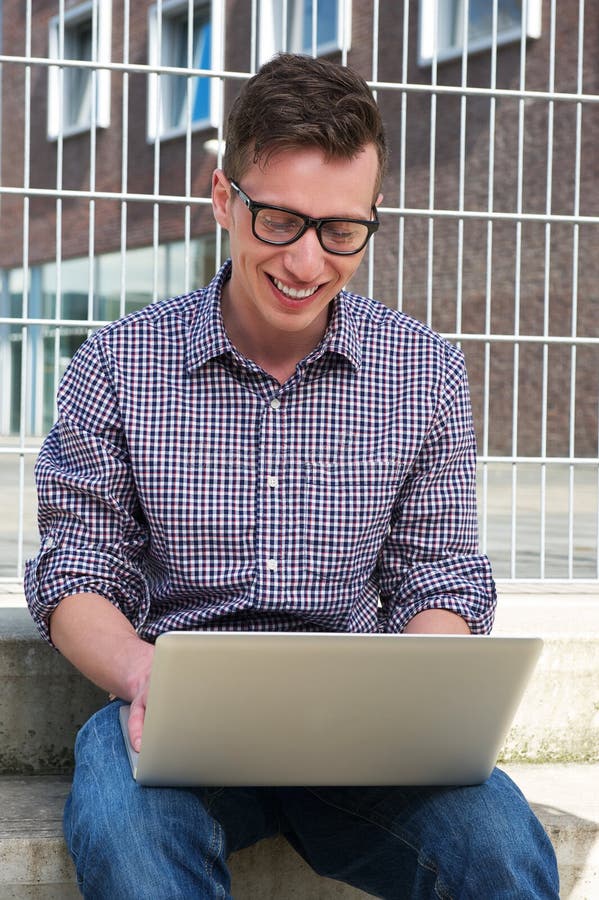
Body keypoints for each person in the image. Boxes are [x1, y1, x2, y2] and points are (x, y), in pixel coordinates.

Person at [25, 53, 559, 899]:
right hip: (172, 723)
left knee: (497, 845)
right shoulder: (118, 362)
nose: (307, 262)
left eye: (341, 230)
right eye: (278, 220)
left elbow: (440, 574)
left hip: (363, 738)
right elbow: (77, 569)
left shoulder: (424, 373)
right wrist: (140, 673)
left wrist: (412, 698)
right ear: (222, 200)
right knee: (127, 837)